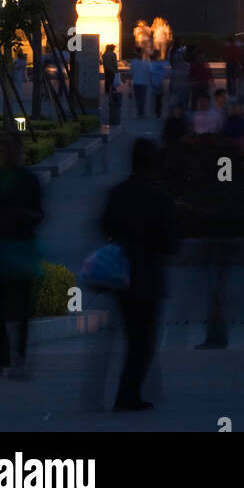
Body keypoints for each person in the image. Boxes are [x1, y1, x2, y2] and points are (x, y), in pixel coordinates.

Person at [101, 138, 178, 411]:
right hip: (147, 276)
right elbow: (171, 243)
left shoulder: (118, 193)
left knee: (133, 336)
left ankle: (127, 392)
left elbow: (104, 226)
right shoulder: (160, 198)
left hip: (121, 275)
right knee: (142, 340)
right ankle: (127, 394)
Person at [0, 133, 43, 380]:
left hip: (19, 249)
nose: (9, 155)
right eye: (5, 151)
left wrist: (20, 216)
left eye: (13, 150)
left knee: (21, 309)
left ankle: (18, 358)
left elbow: (38, 213)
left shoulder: (29, 180)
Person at [130, 52, 149, 118]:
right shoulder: (146, 62)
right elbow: (148, 71)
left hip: (136, 82)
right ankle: (142, 111)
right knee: (143, 98)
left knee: (137, 98)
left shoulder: (133, 62)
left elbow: (131, 72)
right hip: (144, 82)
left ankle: (139, 111)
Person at [150, 55, 167, 119]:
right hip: (159, 83)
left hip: (155, 84)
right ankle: (158, 112)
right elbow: (164, 73)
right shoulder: (160, 65)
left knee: (155, 99)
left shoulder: (152, 65)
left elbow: (150, 73)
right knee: (159, 99)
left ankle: (156, 112)